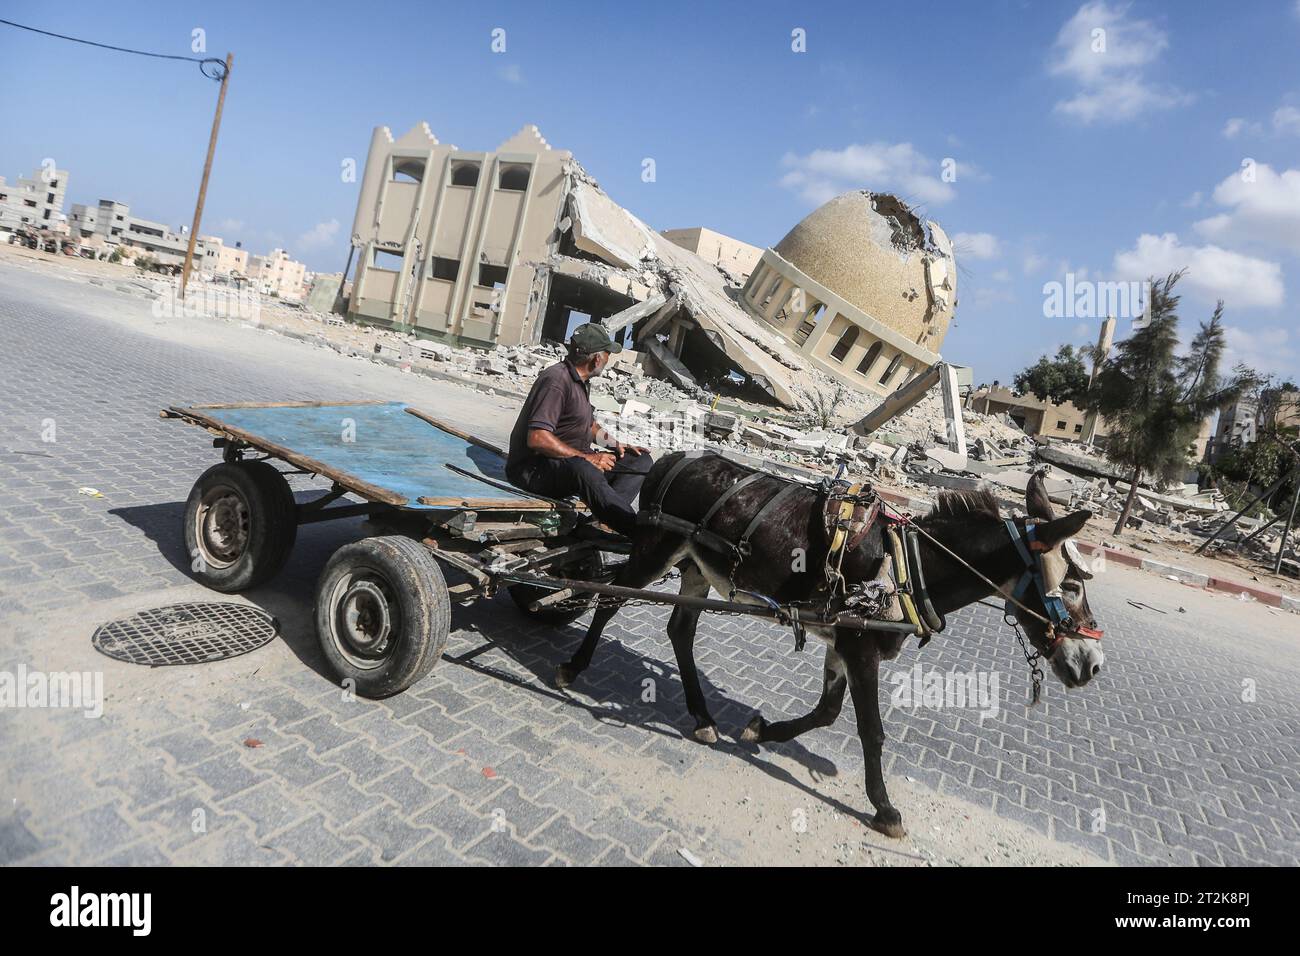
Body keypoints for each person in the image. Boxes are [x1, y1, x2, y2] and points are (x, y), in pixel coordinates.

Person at [505, 323, 653, 536]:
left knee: (640, 461)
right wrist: (588, 458)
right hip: (534, 471)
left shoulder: (581, 381)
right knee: (585, 469)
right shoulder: (556, 381)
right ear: (597, 359)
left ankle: (602, 521)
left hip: (567, 464)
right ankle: (633, 529)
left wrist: (614, 444)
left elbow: (589, 425)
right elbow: (537, 438)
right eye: (607, 353)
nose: (608, 359)